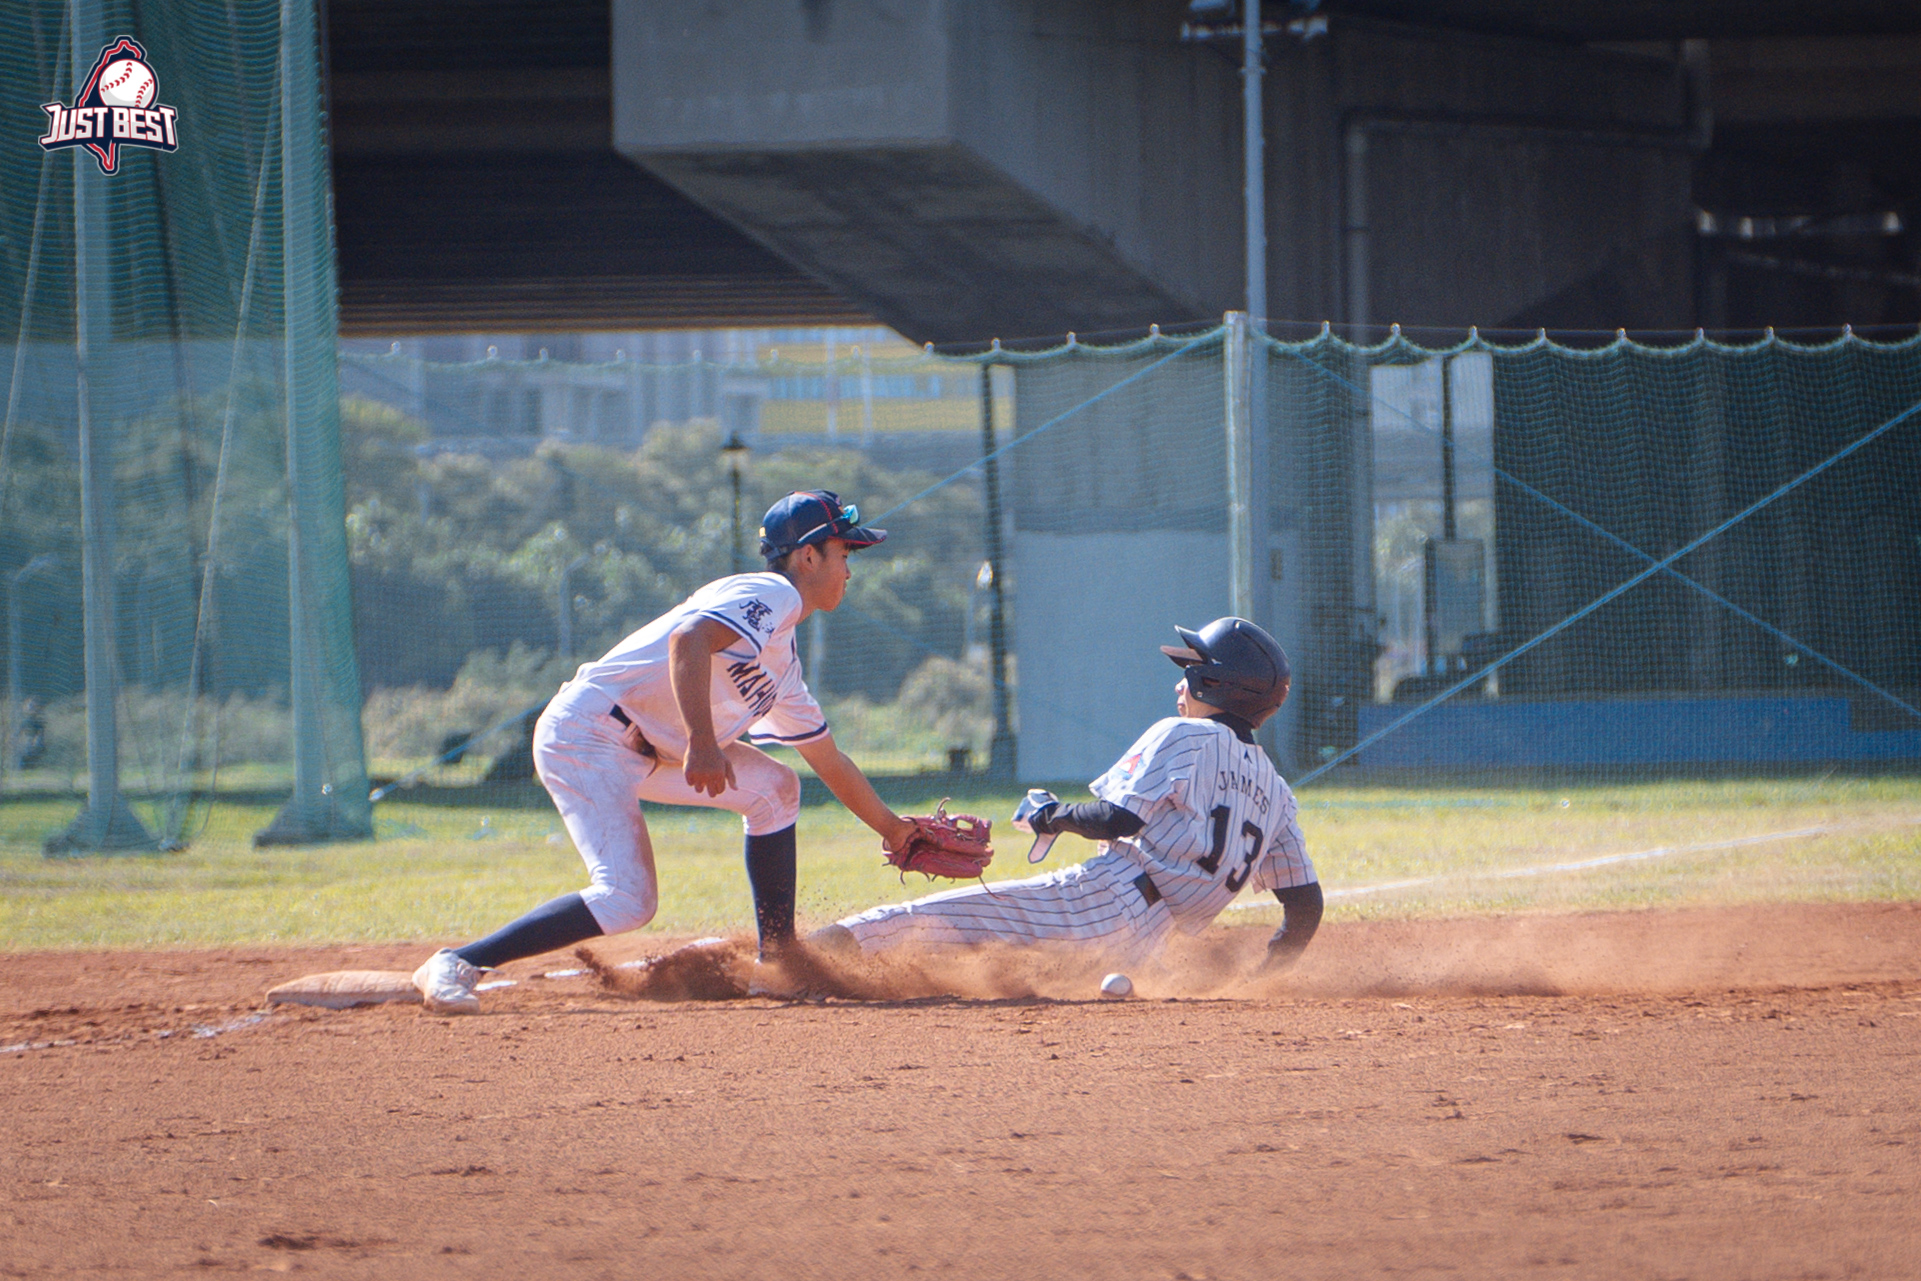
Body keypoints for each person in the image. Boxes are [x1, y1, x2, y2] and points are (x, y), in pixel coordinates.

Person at [413, 490, 919, 1013]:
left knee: (776, 789)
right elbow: (689, 638)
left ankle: (779, 965)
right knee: (627, 899)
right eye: (843, 552)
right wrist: (703, 739)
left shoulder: (783, 667)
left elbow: (828, 760)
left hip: (650, 751)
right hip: (588, 733)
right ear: (808, 556)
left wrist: (894, 830)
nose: (849, 570)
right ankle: (459, 961)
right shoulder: (773, 592)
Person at [813, 617, 1323, 976]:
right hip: (1147, 952)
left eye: (1188, 674)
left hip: (1100, 901)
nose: (1179, 688)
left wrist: (1048, 815)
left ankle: (792, 962)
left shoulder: (1185, 734)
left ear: (1213, 682)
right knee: (990, 974)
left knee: (932, 919)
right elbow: (1306, 904)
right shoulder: (1277, 792)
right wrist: (1265, 977)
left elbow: (1117, 819)